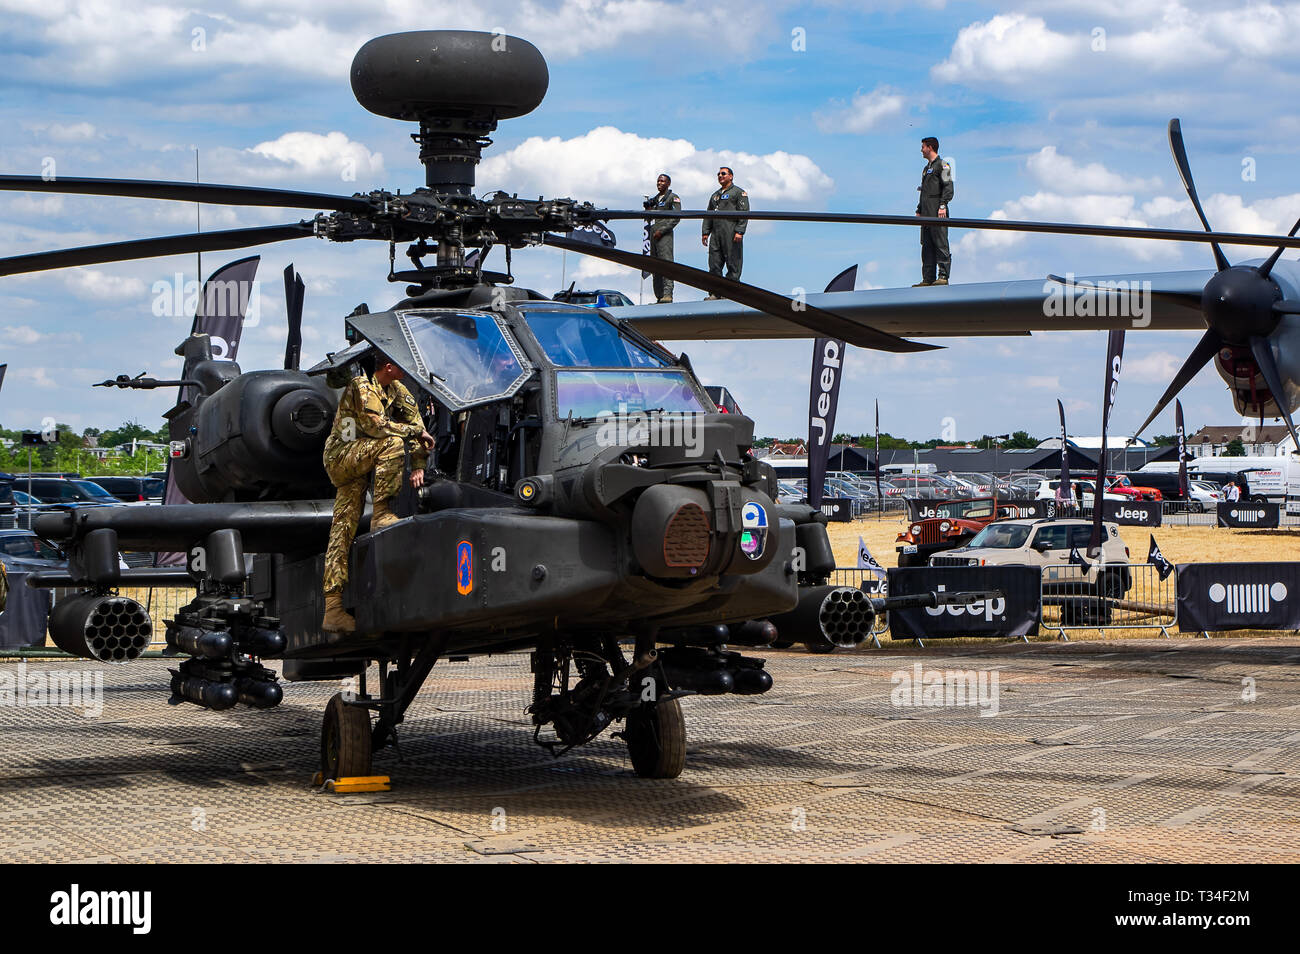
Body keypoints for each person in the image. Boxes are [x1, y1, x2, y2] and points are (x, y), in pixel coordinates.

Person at [321, 354, 434, 634]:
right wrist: (414, 433)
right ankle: (381, 513)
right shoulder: (361, 387)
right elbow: (376, 427)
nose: (407, 372)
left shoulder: (398, 391)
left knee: (342, 528)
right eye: (402, 365)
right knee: (393, 443)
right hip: (342, 456)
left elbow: (419, 425)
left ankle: (332, 609)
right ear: (388, 367)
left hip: (363, 458)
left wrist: (419, 465)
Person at [915, 136, 954, 286]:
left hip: (937, 211)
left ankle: (943, 276)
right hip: (926, 213)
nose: (921, 150)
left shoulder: (944, 165)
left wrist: (943, 205)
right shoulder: (926, 169)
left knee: (940, 243)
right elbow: (923, 192)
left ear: (930, 147)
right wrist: (919, 210)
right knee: (927, 245)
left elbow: (949, 187)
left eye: (923, 147)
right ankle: (928, 278)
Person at [702, 166, 748, 291]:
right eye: (718, 174)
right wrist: (705, 232)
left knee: (733, 262)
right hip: (716, 233)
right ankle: (715, 292)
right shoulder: (715, 195)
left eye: (723, 173)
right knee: (714, 263)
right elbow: (708, 214)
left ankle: (731, 292)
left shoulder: (738, 192)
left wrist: (740, 231)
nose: (720, 176)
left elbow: (744, 212)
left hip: (731, 231)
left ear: (731, 176)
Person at [645, 173, 681, 303]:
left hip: (664, 235)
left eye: (662, 181)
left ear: (668, 183)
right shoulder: (655, 199)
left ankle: (667, 294)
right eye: (658, 181)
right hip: (653, 234)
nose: (659, 183)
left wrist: (662, 230)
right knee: (655, 266)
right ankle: (659, 295)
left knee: (666, 264)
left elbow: (676, 217)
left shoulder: (672, 197)